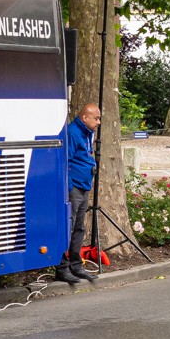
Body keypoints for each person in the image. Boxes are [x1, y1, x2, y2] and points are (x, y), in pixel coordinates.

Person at [56, 103, 101, 283]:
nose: (98, 122)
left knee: (79, 227)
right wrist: (68, 188)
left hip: (84, 185)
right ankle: (62, 267)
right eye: (96, 118)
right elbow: (65, 161)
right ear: (85, 117)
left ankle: (76, 265)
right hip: (74, 187)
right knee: (68, 226)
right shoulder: (73, 133)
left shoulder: (87, 133)